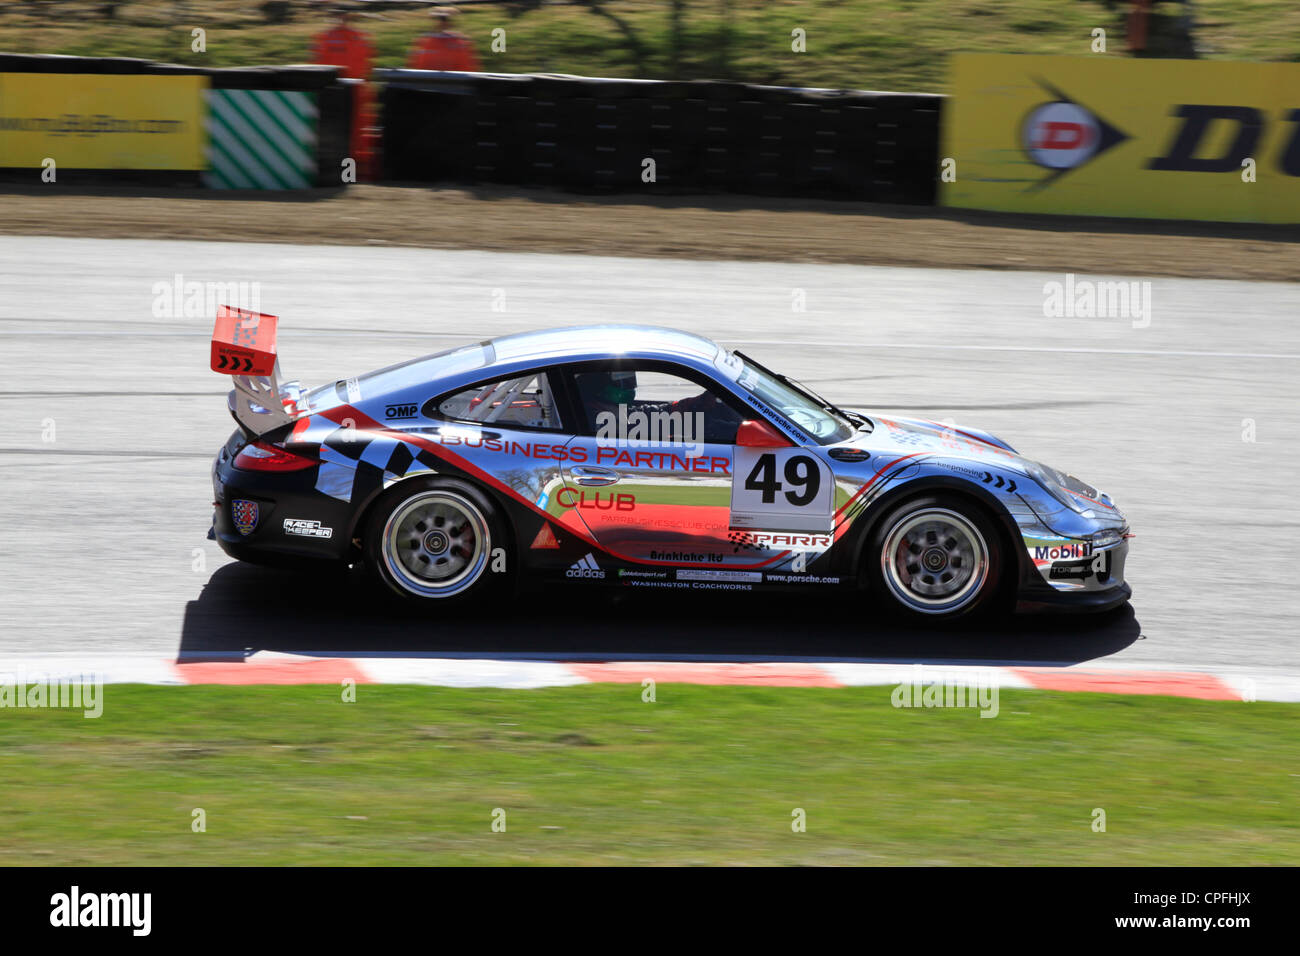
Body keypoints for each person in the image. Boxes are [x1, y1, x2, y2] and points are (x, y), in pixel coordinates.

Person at [310, 6, 377, 177]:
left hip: (350, 92)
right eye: (338, 15)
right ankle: (340, 174)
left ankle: (350, 175)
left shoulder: (358, 38)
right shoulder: (326, 38)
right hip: (336, 91)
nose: (341, 18)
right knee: (339, 135)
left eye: (343, 15)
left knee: (352, 136)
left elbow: (366, 66)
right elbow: (317, 65)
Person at [407, 6, 482, 72]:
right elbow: (414, 68)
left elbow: (468, 71)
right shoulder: (423, 41)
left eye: (445, 20)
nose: (441, 23)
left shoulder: (461, 43)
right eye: (440, 19)